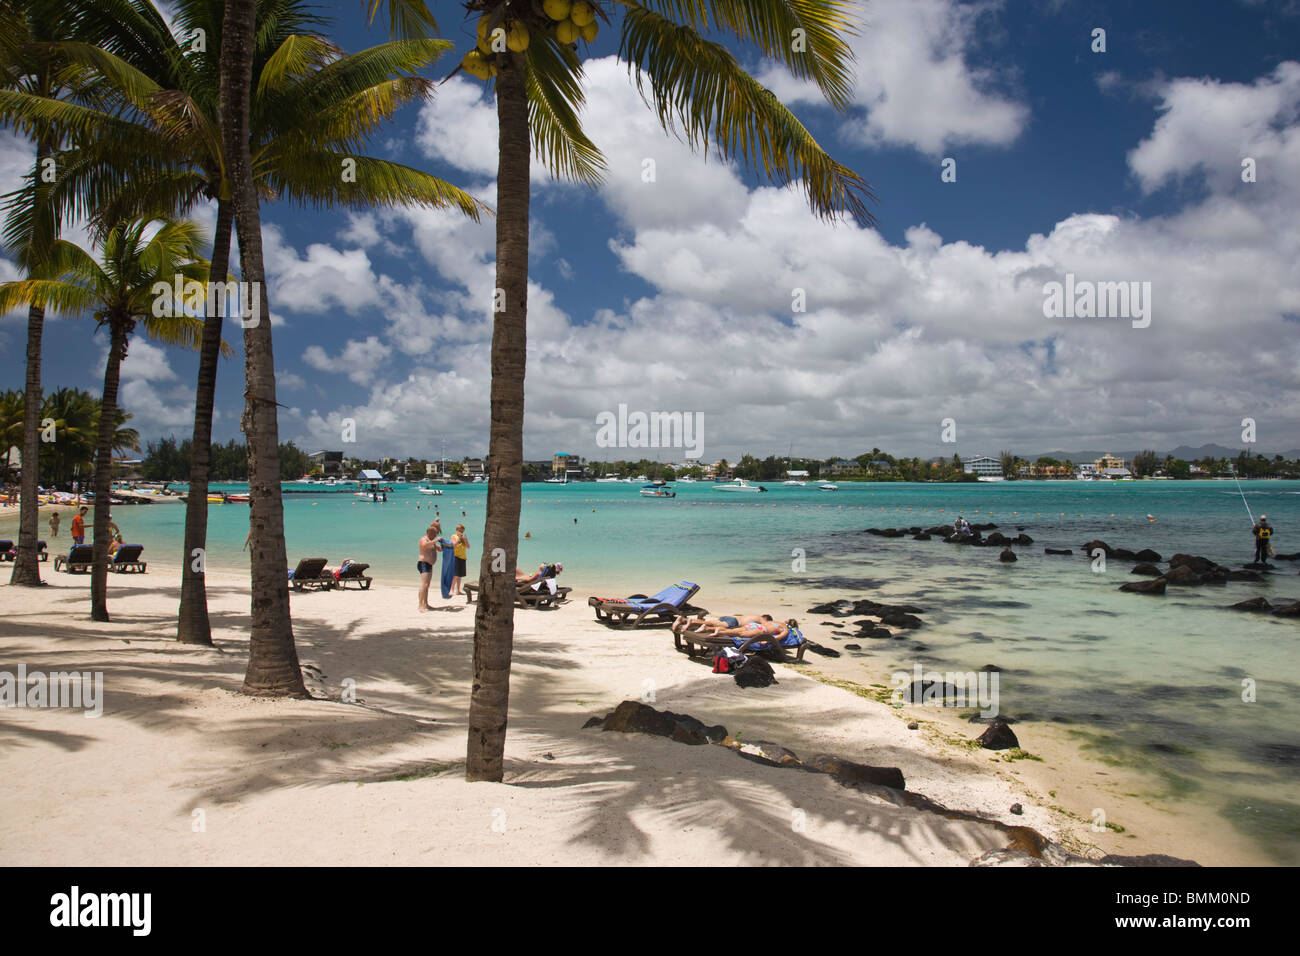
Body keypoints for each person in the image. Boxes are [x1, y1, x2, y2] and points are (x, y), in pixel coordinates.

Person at [417, 522, 442, 611]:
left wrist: (446, 546)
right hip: (423, 563)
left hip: (429, 564)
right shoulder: (424, 539)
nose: (435, 536)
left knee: (427, 585)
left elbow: (439, 549)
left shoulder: (432, 541)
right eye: (434, 534)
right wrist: (435, 541)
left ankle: (426, 603)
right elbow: (424, 545)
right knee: (424, 584)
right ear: (429, 533)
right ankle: (420, 605)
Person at [450, 525, 470, 596]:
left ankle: (458, 590)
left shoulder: (464, 537)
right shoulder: (453, 536)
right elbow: (453, 545)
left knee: (460, 575)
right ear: (456, 530)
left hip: (463, 557)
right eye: (459, 530)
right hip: (456, 556)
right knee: (455, 574)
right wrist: (458, 539)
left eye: (462, 530)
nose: (461, 532)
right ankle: (451, 589)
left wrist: (465, 539)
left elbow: (468, 547)